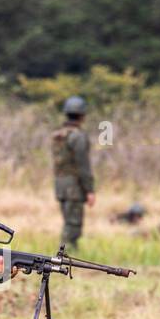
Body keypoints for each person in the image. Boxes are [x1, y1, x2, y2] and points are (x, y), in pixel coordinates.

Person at [51, 96, 94, 250]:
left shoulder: (58, 134)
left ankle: (66, 250)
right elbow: (83, 166)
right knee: (74, 223)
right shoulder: (78, 136)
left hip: (60, 185)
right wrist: (89, 190)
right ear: (82, 115)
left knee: (68, 220)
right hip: (74, 186)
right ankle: (67, 252)